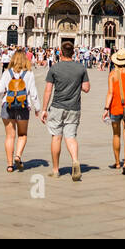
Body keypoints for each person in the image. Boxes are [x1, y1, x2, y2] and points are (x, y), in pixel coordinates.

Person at [41, 40, 90, 181]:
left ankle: (56, 170)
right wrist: (75, 84)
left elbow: (48, 90)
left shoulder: (54, 68)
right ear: (73, 53)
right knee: (71, 137)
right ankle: (75, 161)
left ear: (60, 52)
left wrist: (44, 109)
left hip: (57, 107)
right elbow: (86, 88)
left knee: (56, 137)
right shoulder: (80, 68)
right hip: (74, 107)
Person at [0, 48, 41, 172]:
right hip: (23, 106)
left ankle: (9, 165)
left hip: (8, 105)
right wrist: (37, 108)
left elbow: (0, 90)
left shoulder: (7, 72)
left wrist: (5, 98)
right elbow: (33, 93)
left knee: (9, 136)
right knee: (22, 135)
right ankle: (18, 155)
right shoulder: (29, 73)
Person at [104, 49, 125, 173]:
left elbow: (110, 93)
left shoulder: (112, 74)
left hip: (115, 107)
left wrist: (106, 108)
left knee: (116, 135)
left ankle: (117, 163)